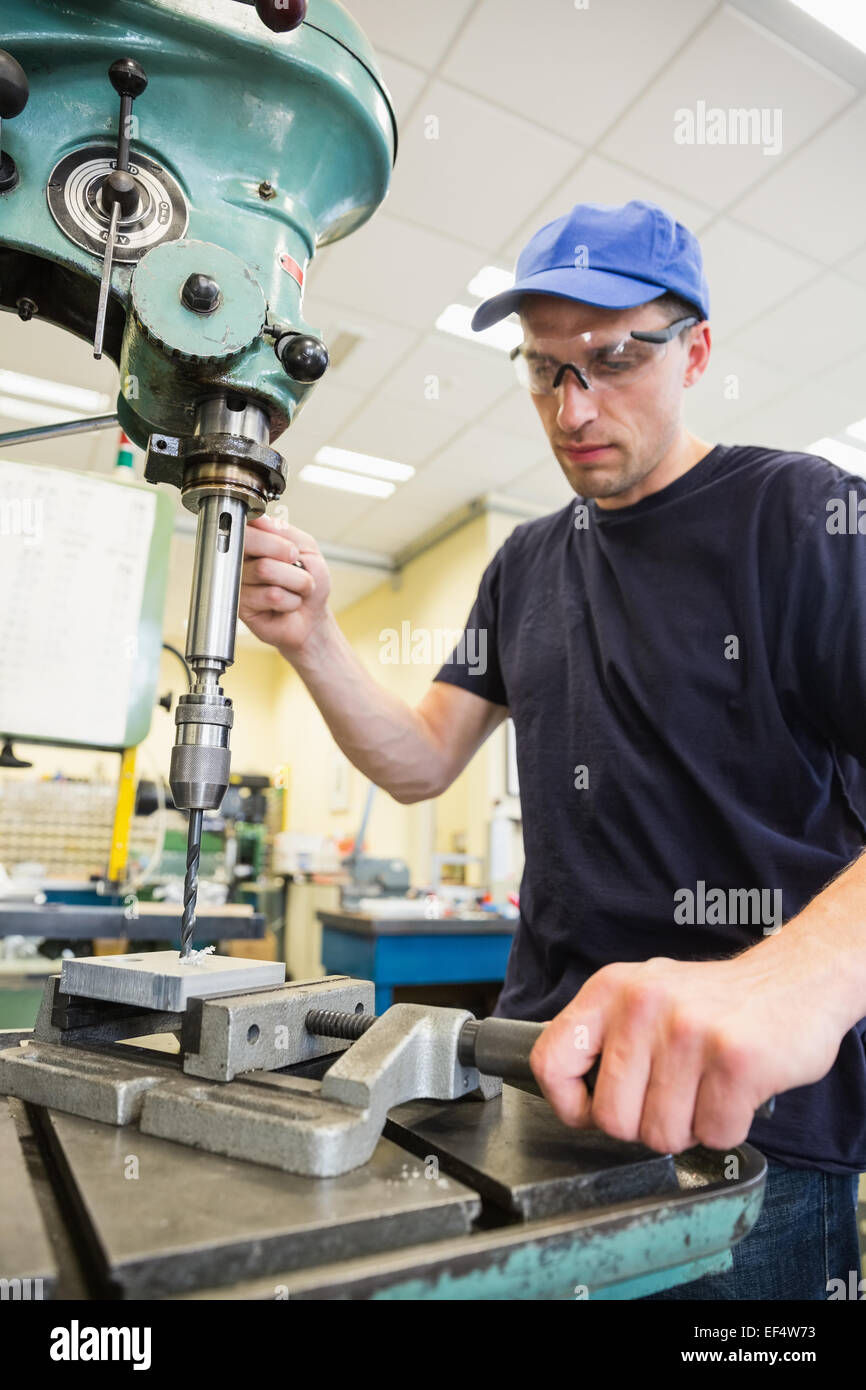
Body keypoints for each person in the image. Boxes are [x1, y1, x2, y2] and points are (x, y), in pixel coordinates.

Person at [239, 200, 865, 1299]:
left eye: (611, 360)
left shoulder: (802, 516)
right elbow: (421, 759)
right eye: (541, 370)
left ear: (696, 350)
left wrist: (789, 986)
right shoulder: (525, 563)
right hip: (535, 1084)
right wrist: (312, 638)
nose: (570, 406)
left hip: (748, 1129)